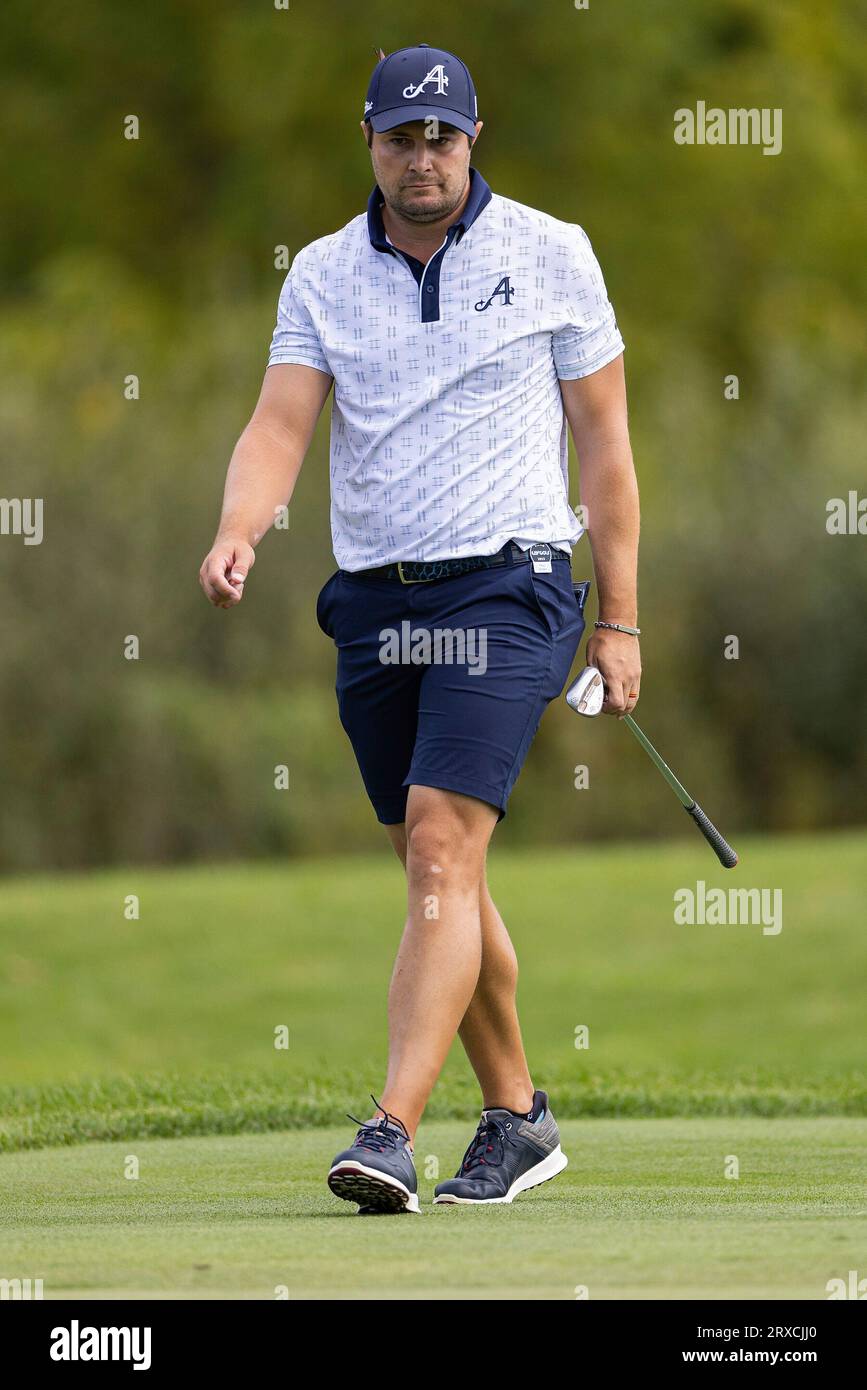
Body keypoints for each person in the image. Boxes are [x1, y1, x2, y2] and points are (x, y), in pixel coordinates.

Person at [199, 42, 641, 1213]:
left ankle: (392, 1128)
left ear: (474, 137)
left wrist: (624, 619)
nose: (424, 155)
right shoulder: (323, 276)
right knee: (440, 870)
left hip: (510, 585)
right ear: (372, 143)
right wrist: (241, 526)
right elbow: (279, 427)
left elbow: (604, 444)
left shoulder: (553, 253)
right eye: (403, 136)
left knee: (444, 846)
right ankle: (521, 1117)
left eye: (442, 135)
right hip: (373, 603)